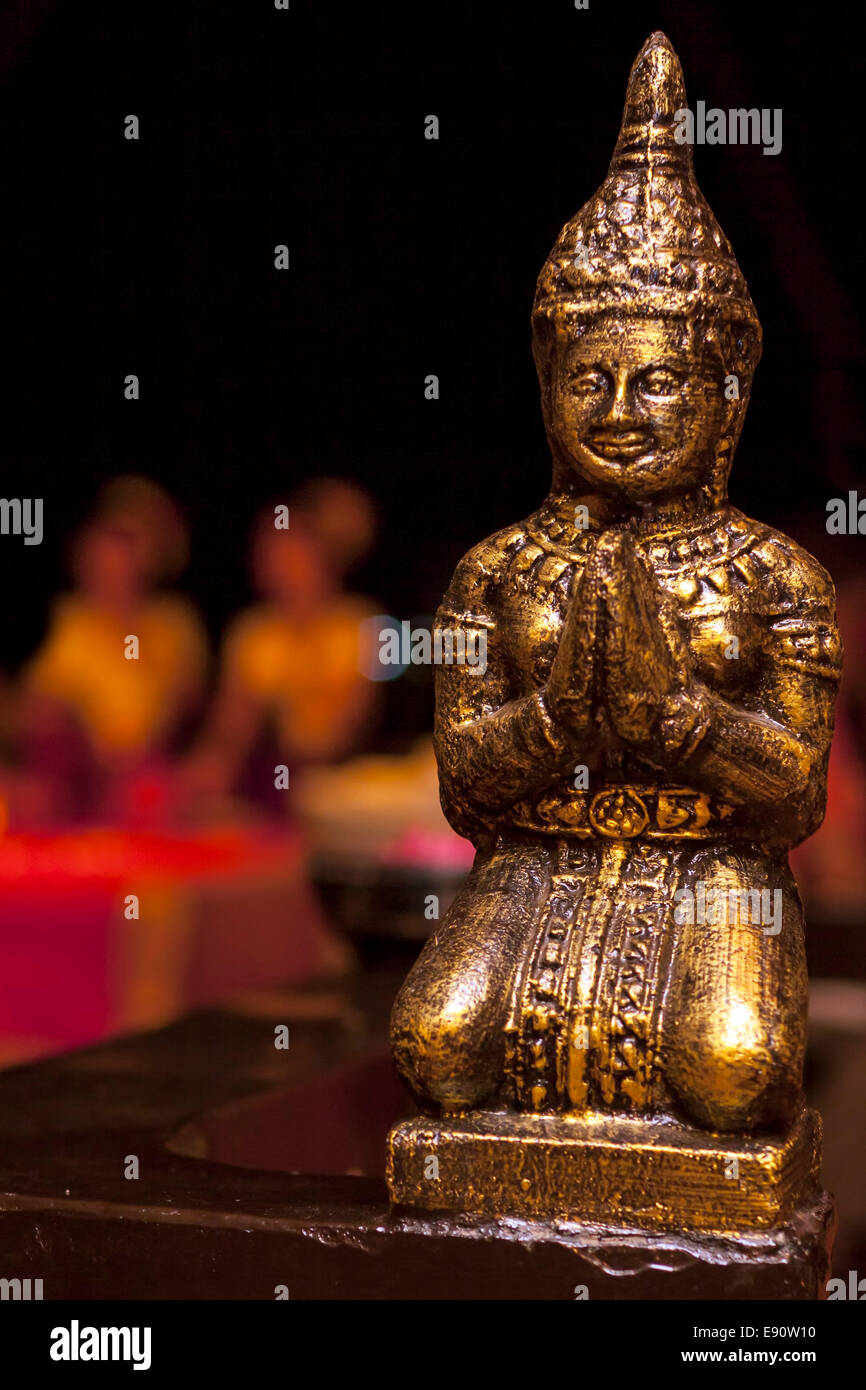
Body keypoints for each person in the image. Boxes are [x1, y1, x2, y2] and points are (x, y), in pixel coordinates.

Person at [16, 476, 208, 824]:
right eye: (111, 540)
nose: (119, 556)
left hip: (147, 776)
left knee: (152, 793)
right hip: (75, 778)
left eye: (133, 542)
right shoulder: (66, 620)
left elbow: (182, 712)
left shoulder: (175, 625)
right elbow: (37, 713)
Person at [187, 482, 378, 816]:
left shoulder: (362, 625)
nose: (271, 562)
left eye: (286, 549)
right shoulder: (253, 631)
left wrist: (276, 721)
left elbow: (346, 731)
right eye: (264, 550)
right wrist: (205, 771)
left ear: (322, 554)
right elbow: (230, 728)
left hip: (342, 788)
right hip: (268, 786)